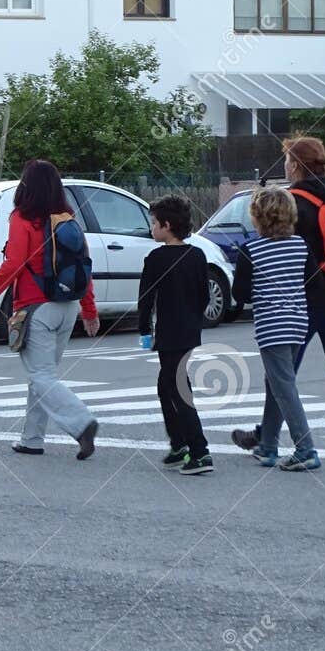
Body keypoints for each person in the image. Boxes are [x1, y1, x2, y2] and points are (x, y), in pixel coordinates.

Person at [233, 136, 325, 464]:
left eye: (286, 159)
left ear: (296, 165)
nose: (284, 164)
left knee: (281, 373)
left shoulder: (294, 203)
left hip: (306, 301)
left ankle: (269, 439)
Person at [0, 159, 101, 460]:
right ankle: (32, 439)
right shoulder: (66, 217)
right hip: (67, 307)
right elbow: (84, 267)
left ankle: (81, 422)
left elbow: (15, 261)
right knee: (41, 375)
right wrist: (89, 310)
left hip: (36, 307)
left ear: (26, 185)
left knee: (40, 375)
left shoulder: (23, 218)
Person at [231, 187, 320, 471]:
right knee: (277, 383)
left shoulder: (251, 250)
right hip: (298, 322)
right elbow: (314, 283)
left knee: (284, 388)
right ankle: (267, 446)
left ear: (258, 217)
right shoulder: (301, 245)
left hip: (272, 326)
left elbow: (240, 293)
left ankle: (305, 448)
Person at [137, 194, 212, 475]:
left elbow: (145, 298)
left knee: (178, 389)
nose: (151, 228)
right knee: (166, 385)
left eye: (154, 223)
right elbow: (204, 295)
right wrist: (193, 319)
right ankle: (179, 442)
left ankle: (200, 451)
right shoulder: (197, 255)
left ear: (166, 225)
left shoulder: (156, 258)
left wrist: (144, 330)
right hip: (189, 331)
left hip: (168, 332)